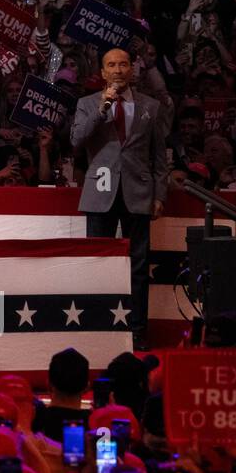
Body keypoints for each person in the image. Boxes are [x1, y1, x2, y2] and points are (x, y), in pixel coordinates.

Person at [70, 48, 170, 350]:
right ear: (102, 72)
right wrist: (102, 108)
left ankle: (138, 332)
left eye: (123, 64)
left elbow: (159, 156)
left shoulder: (150, 106)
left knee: (138, 266)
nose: (117, 70)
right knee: (95, 264)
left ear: (132, 69)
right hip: (99, 193)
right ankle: (95, 329)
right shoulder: (87, 104)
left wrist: (159, 195)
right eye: (111, 65)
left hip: (138, 193)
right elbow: (76, 141)